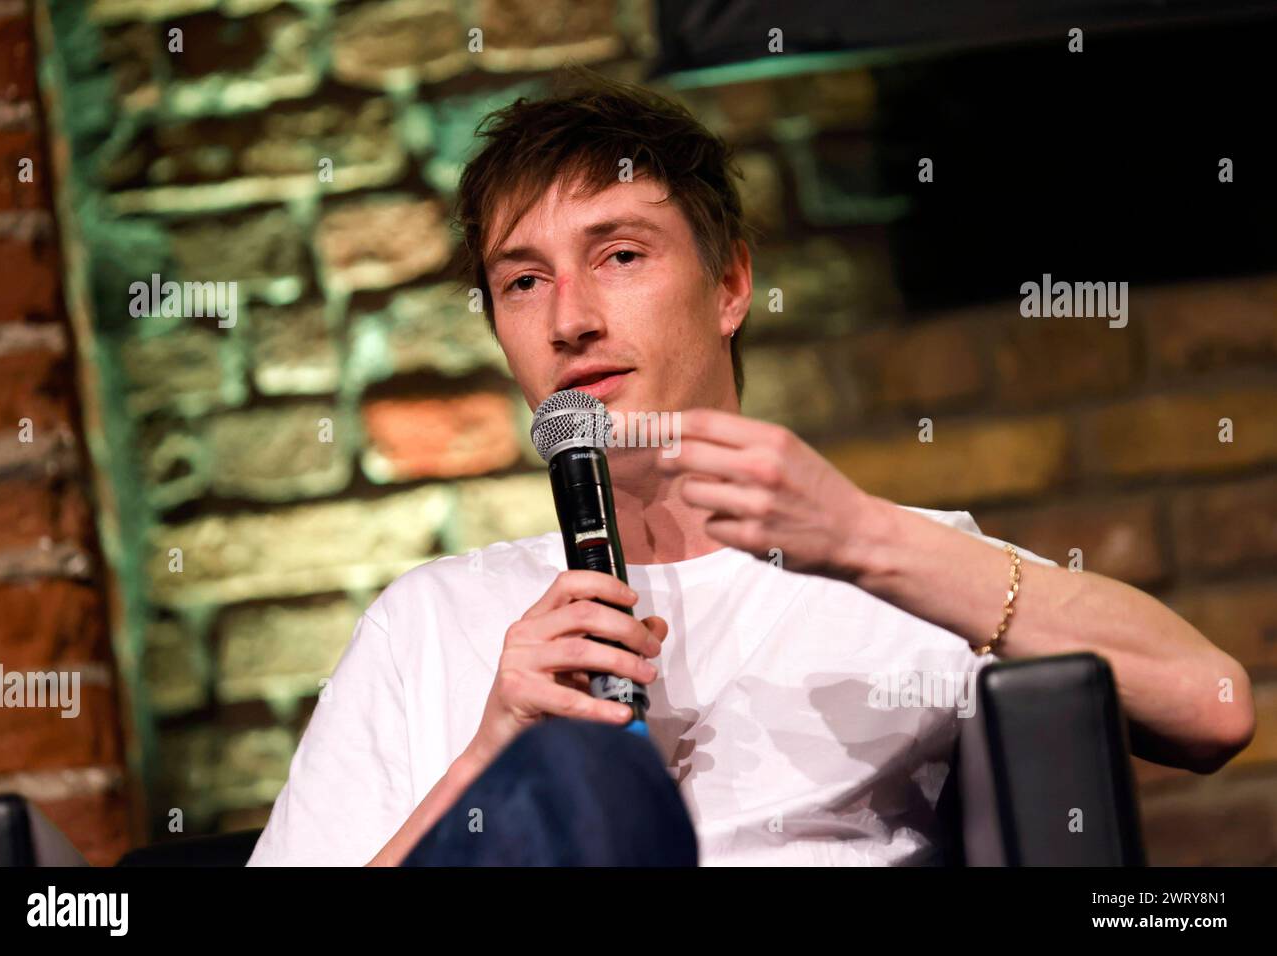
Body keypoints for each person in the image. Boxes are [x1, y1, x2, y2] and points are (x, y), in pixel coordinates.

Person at [246, 66, 1255, 867]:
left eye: (621, 255)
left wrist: (863, 537)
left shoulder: (893, 574)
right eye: (522, 280)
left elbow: (1209, 704)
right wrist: (488, 758)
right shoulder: (428, 619)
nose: (570, 319)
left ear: (730, 282)